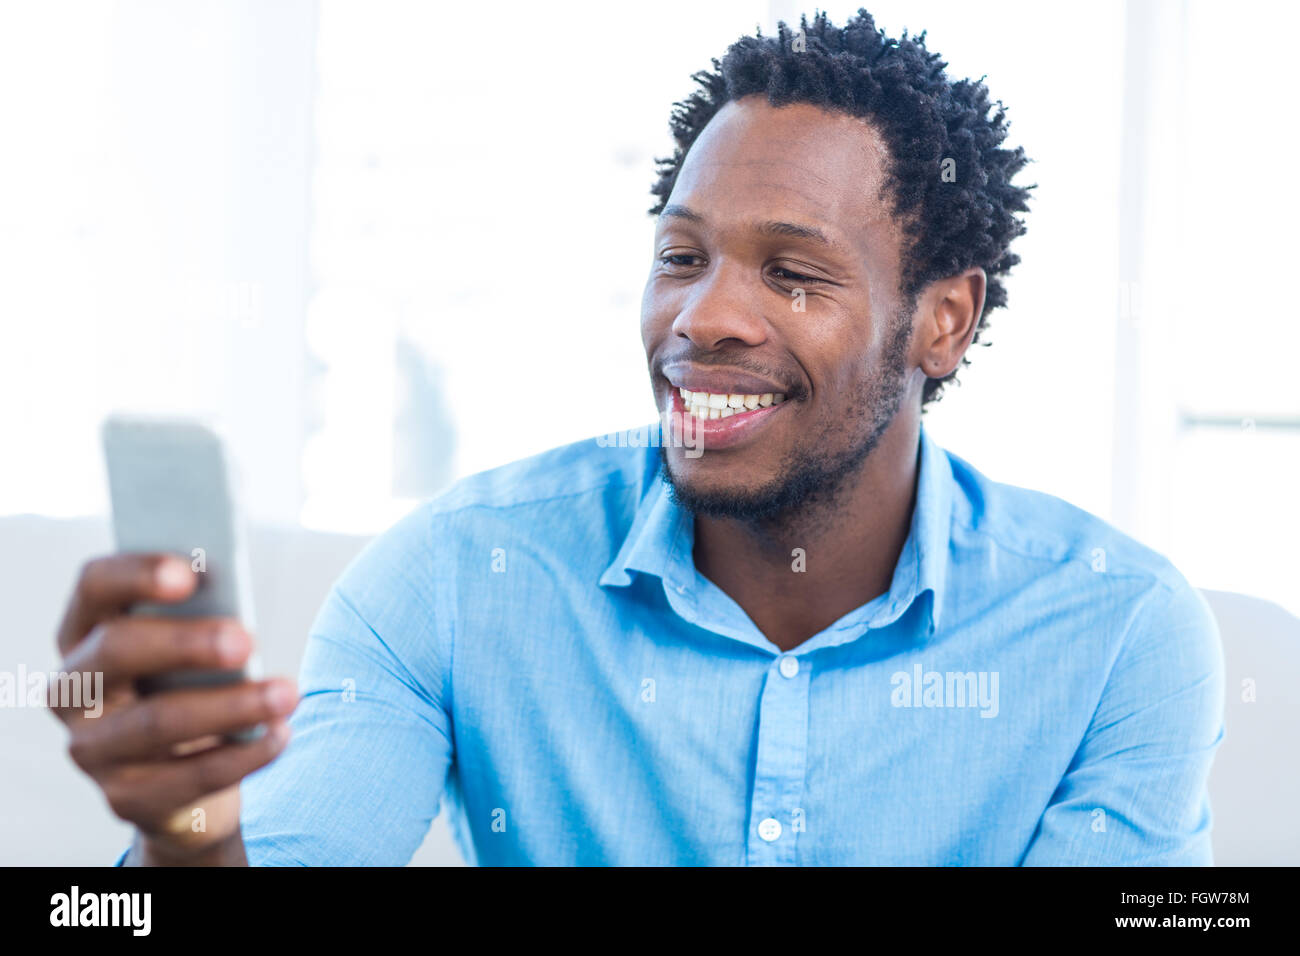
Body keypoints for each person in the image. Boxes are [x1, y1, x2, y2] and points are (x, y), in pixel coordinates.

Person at [52, 10, 1223, 866]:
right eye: (681, 256)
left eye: (792, 271)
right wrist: (188, 834)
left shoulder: (1117, 633)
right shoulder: (458, 576)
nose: (702, 316)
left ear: (943, 319)